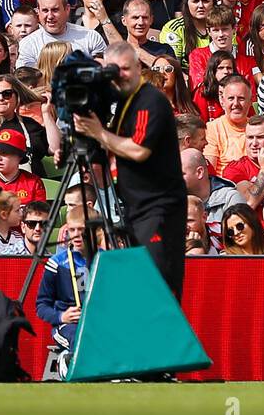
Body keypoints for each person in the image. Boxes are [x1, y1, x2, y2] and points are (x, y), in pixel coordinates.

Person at [73, 41, 189, 298]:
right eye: (114, 71)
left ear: (138, 66)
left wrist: (99, 133)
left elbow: (139, 150)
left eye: (125, 69)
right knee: (141, 282)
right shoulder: (125, 102)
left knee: (157, 283)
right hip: (135, 207)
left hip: (159, 207)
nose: (120, 76)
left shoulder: (150, 100)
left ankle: (164, 334)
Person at [35, 205, 93, 376]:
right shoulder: (57, 263)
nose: (76, 235)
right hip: (68, 326)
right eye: (72, 229)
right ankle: (70, 363)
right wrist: (62, 316)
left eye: (81, 229)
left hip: (97, 322)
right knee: (81, 336)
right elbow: (41, 305)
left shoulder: (104, 258)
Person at [17, 0, 108, 67]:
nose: (50, 16)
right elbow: (27, 81)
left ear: (67, 9)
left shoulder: (90, 37)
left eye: (55, 10)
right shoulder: (27, 45)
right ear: (38, 12)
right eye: (45, 10)